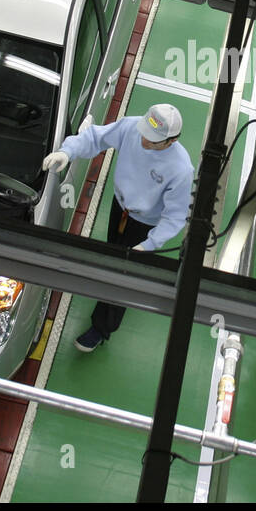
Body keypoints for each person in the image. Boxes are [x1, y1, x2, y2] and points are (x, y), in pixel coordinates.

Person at [41, 103, 195, 352]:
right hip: (120, 208)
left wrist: (150, 244)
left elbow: (175, 216)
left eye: (153, 140)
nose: (145, 141)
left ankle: (101, 329)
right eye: (145, 133)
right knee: (113, 255)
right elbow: (95, 137)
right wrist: (67, 152)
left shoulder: (181, 169)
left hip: (145, 226)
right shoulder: (131, 127)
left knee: (124, 276)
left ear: (171, 141)